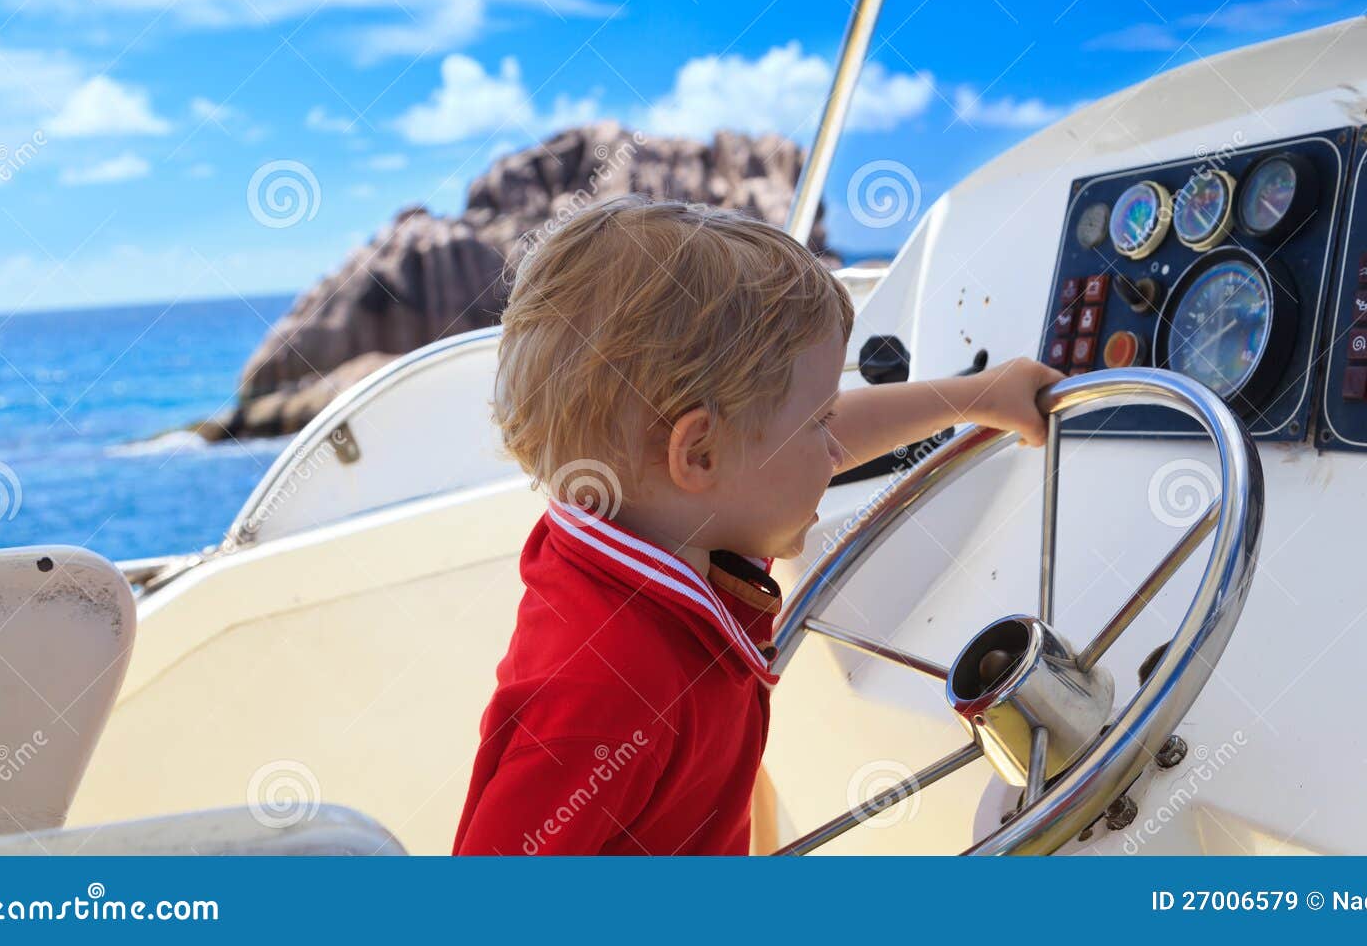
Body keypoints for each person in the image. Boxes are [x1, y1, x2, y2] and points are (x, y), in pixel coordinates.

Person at [451, 195, 1062, 855]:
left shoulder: (665, 521)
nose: (833, 450)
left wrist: (977, 397)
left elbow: (793, 445)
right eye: (817, 422)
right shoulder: (606, 689)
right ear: (699, 453)